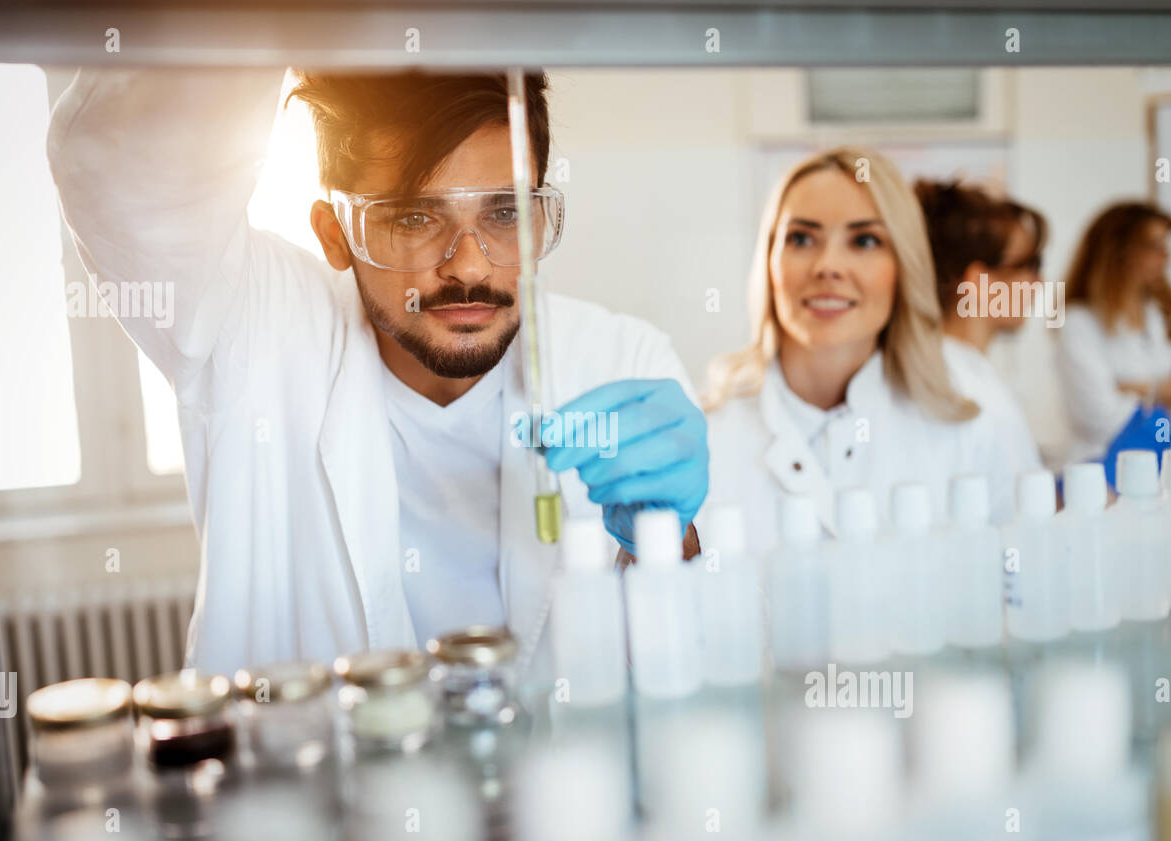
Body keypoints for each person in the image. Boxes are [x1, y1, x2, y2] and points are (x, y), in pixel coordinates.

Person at [47, 69, 708, 681]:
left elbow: (696, 671)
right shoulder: (257, 325)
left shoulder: (623, 361)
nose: (470, 267)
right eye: (416, 218)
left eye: (504, 213)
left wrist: (668, 543)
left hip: (557, 800)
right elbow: (125, 168)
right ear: (334, 233)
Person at [702, 147, 1033, 554]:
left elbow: (1023, 586)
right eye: (801, 238)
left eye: (864, 240)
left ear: (904, 266)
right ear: (769, 262)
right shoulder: (707, 435)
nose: (828, 266)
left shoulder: (970, 420)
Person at [1056, 201, 1171, 466]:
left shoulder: (1169, 311)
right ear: (1119, 251)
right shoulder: (1079, 323)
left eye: (1167, 245)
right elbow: (1100, 414)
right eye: (1155, 246)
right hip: (1111, 474)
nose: (1167, 256)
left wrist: (1137, 388)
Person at [914, 178, 1045, 468]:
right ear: (979, 282)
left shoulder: (940, 371)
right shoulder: (973, 396)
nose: (1039, 283)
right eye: (1029, 266)